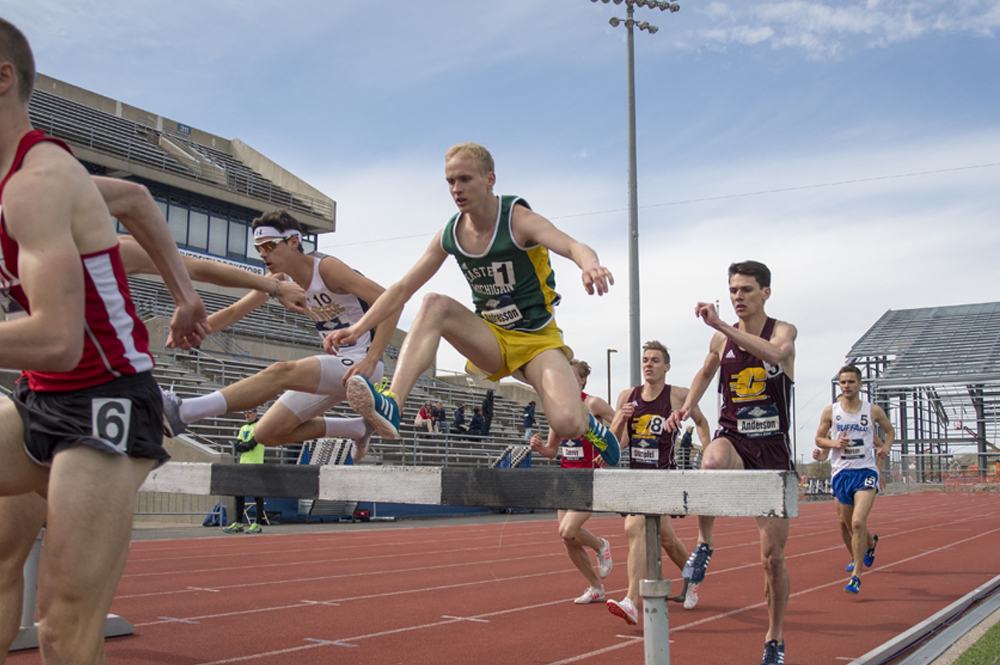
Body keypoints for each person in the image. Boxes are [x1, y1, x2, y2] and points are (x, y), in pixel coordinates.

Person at [0, 19, 209, 661]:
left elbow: (59, 340)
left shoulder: (38, 183)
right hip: (39, 397)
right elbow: (139, 199)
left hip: (105, 403)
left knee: (63, 629)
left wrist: (190, 292)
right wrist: (185, 295)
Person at [326, 142, 620, 466]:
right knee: (433, 303)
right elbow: (401, 289)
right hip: (491, 337)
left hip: (536, 339)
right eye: (450, 181)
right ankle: (393, 402)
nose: (456, 189)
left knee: (567, 423)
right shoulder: (450, 234)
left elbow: (572, 244)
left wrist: (590, 264)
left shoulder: (518, 220)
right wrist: (357, 328)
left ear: (490, 179)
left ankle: (590, 424)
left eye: (465, 179)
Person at [160, 210, 401, 462]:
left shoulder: (327, 268)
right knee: (267, 433)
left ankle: (185, 411)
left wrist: (372, 358)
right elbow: (234, 311)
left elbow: (391, 301)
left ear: (294, 242)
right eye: (258, 248)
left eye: (269, 246)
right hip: (338, 366)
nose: (263, 253)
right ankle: (357, 428)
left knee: (280, 371)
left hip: (362, 366)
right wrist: (194, 329)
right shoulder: (277, 281)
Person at [665, 260, 796, 665]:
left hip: (773, 452)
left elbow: (775, 353)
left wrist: (722, 325)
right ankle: (705, 543)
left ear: (765, 294)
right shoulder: (722, 343)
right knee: (711, 461)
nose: (739, 297)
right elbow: (705, 374)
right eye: (734, 290)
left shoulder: (782, 331)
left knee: (772, 560)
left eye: (747, 290)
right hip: (736, 439)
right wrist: (686, 407)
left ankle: (774, 637)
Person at [605, 341, 712, 623]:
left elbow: (700, 422)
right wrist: (618, 422)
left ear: (666, 366)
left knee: (633, 526)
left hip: (665, 477)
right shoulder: (627, 396)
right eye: (645, 360)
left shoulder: (678, 396)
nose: (648, 364)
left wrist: (708, 454)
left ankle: (630, 600)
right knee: (666, 538)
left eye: (654, 360)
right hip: (637, 478)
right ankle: (693, 578)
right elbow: (617, 445)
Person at [530, 359, 614, 606]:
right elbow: (553, 451)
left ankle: (601, 545)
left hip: (588, 478)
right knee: (567, 538)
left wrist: (611, 452)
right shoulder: (557, 407)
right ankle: (595, 586)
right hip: (565, 477)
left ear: (582, 380)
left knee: (568, 530)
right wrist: (539, 448)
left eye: (571, 376)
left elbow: (620, 423)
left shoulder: (593, 403)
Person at [814, 366, 894, 594]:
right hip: (841, 473)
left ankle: (856, 575)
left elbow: (889, 431)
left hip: (865, 472)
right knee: (846, 524)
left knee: (858, 522)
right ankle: (870, 543)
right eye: (843, 382)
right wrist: (832, 445)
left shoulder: (873, 410)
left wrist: (885, 450)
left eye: (850, 381)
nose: (846, 386)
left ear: (860, 384)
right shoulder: (831, 411)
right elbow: (820, 439)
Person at [223, 408, 267, 534]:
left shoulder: (259, 427)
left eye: (249, 412)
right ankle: (238, 522)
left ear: (255, 413)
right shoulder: (243, 428)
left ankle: (257, 523)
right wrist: (244, 445)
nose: (246, 415)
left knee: (257, 495)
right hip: (243, 464)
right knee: (239, 494)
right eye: (245, 413)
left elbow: (252, 444)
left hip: (256, 465)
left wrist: (244, 445)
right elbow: (237, 446)